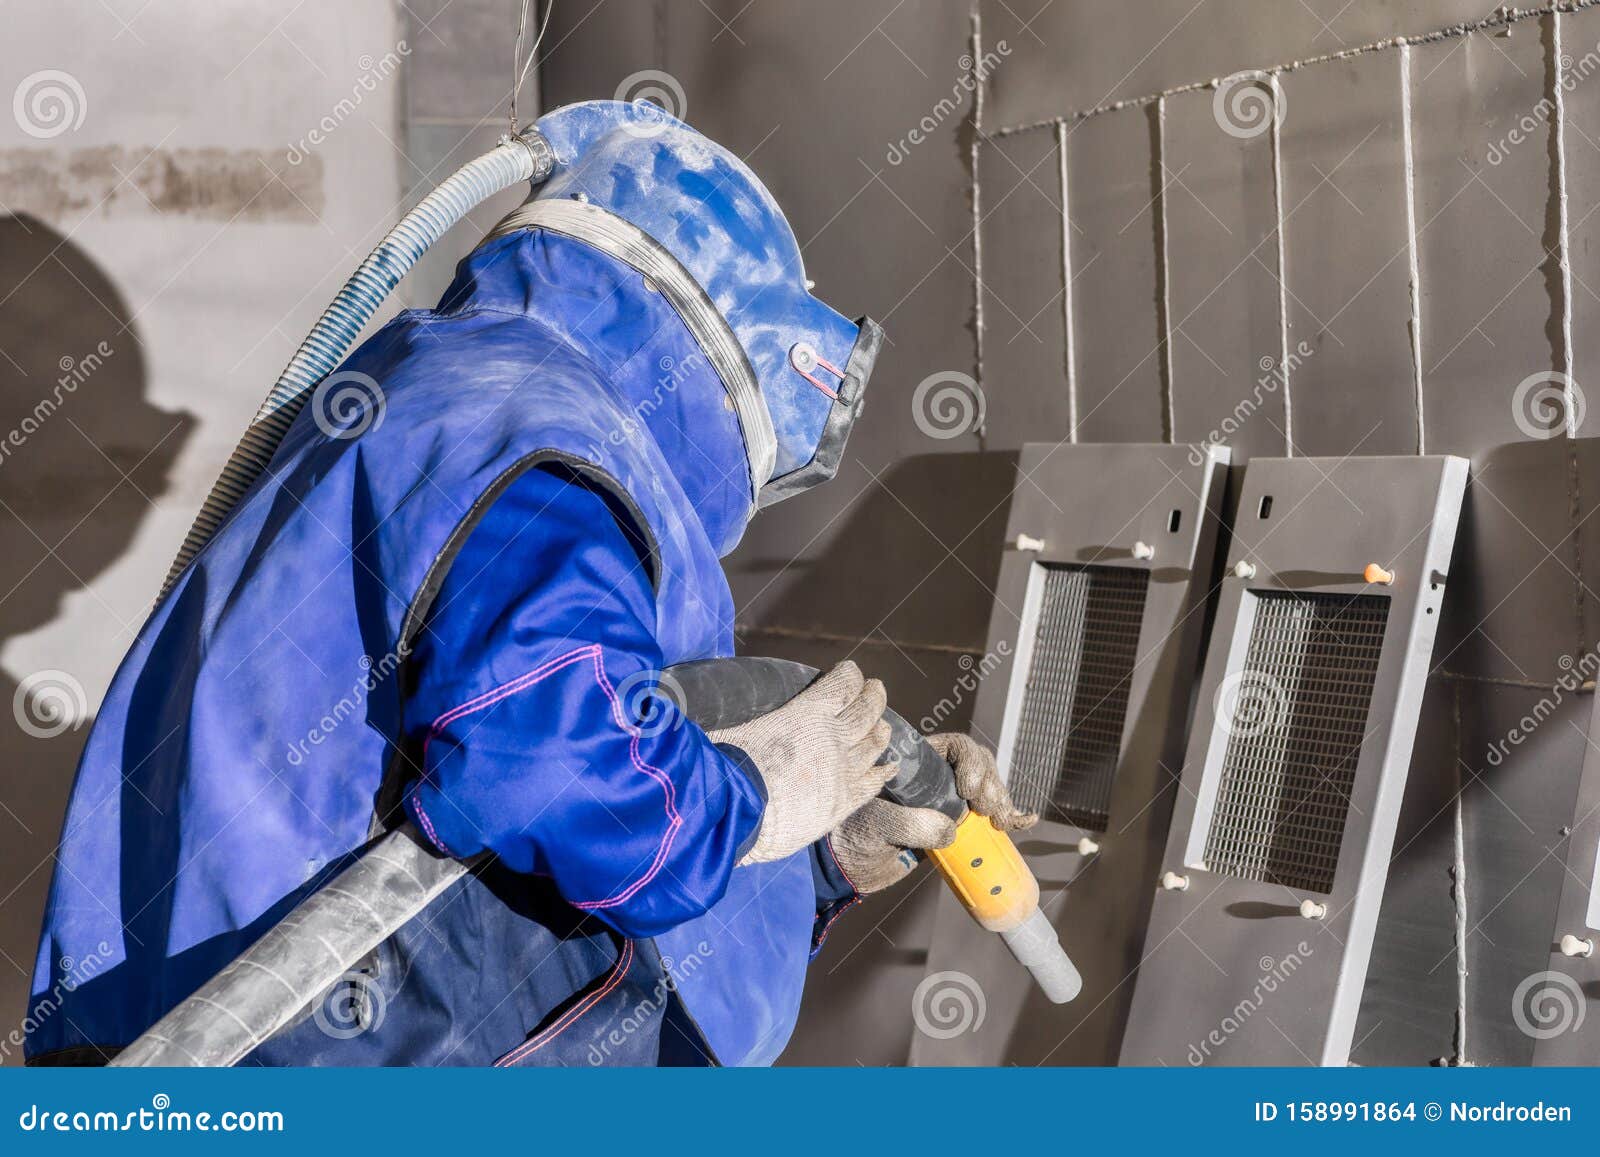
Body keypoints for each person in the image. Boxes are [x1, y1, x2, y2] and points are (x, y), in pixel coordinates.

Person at [27, 100, 1032, 1067]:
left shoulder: (446, 398)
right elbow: (548, 764)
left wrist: (822, 846)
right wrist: (759, 792)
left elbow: (530, 804)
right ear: (736, 368)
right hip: (303, 1051)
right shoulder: (551, 441)